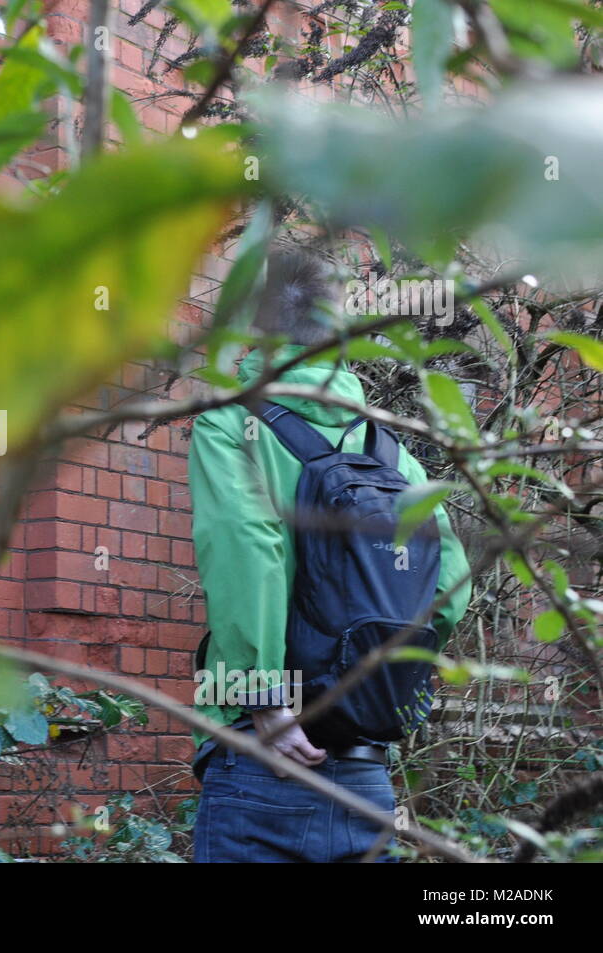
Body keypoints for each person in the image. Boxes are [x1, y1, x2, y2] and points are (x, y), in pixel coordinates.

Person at [187, 249, 472, 862]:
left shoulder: (232, 423)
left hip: (266, 757)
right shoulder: (394, 455)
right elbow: (449, 587)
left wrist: (265, 697)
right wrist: (378, 678)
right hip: (366, 773)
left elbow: (247, 548)